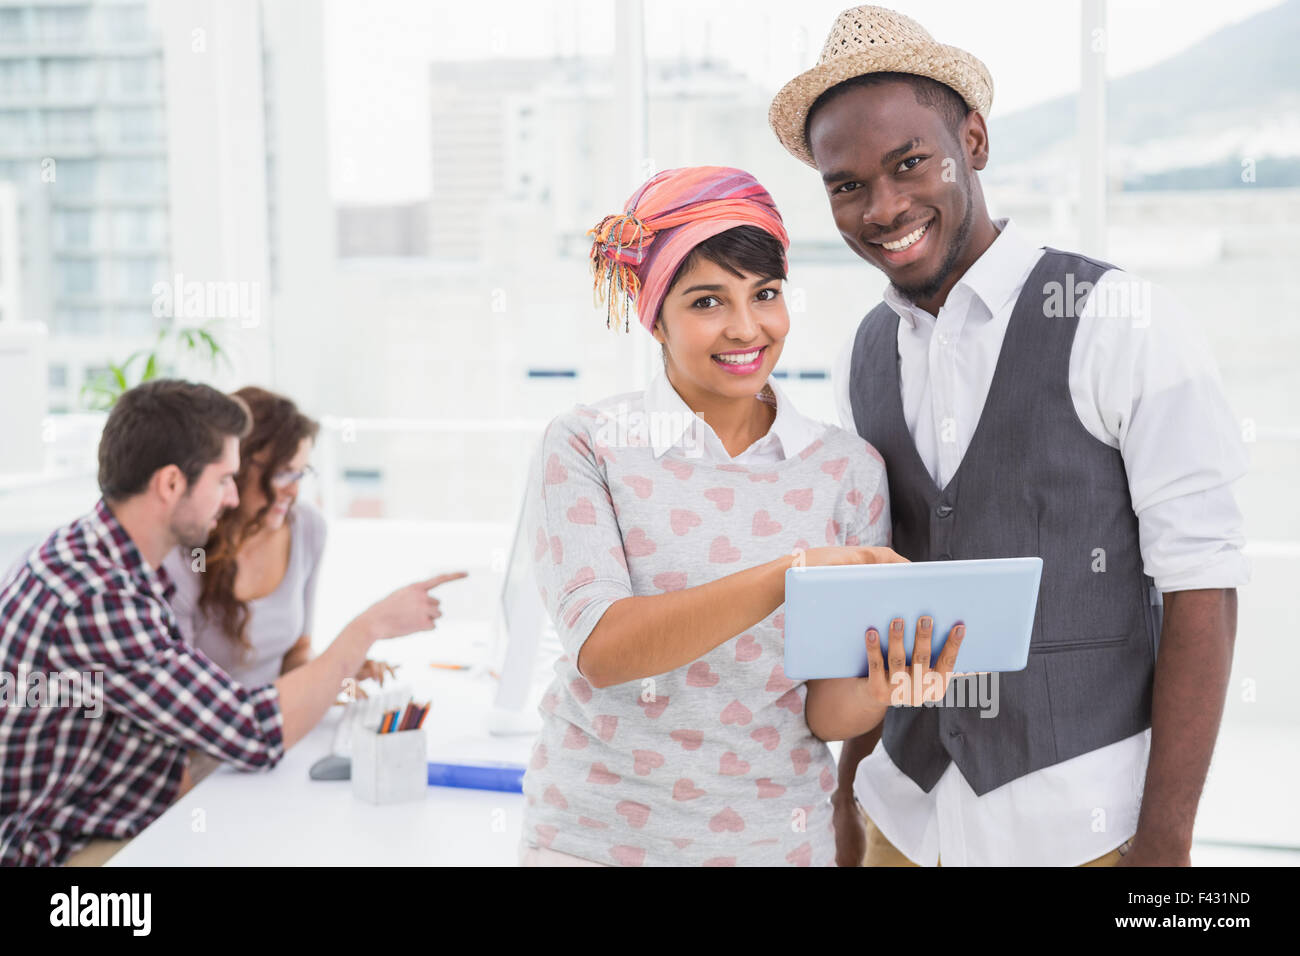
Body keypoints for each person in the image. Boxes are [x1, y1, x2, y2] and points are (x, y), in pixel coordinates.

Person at [768, 4, 1248, 866]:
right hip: (902, 818)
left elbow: (1202, 588)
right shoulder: (867, 351)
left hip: (1085, 827)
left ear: (974, 143)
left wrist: (1167, 846)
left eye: (909, 163)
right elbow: (875, 604)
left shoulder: (1116, 319)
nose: (883, 207)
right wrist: (847, 800)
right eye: (847, 184)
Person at [518, 164, 963, 867]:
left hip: (775, 844)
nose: (747, 327)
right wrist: (793, 572)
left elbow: (824, 713)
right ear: (653, 314)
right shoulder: (588, 445)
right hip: (594, 841)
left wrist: (883, 687)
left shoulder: (845, 470)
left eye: (766, 294)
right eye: (706, 302)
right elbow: (603, 650)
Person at [0, 380, 460, 866]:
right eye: (223, 481)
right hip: (57, 854)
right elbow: (252, 734)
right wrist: (369, 626)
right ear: (171, 484)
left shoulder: (100, 555)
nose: (233, 499)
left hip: (120, 812)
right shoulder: (101, 596)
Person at [162, 387, 400, 695]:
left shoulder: (307, 528)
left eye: (300, 474)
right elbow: (181, 693)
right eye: (282, 474)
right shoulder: (187, 547)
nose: (293, 492)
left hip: (280, 723)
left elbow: (297, 654)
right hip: (216, 729)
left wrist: (339, 671)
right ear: (238, 465)